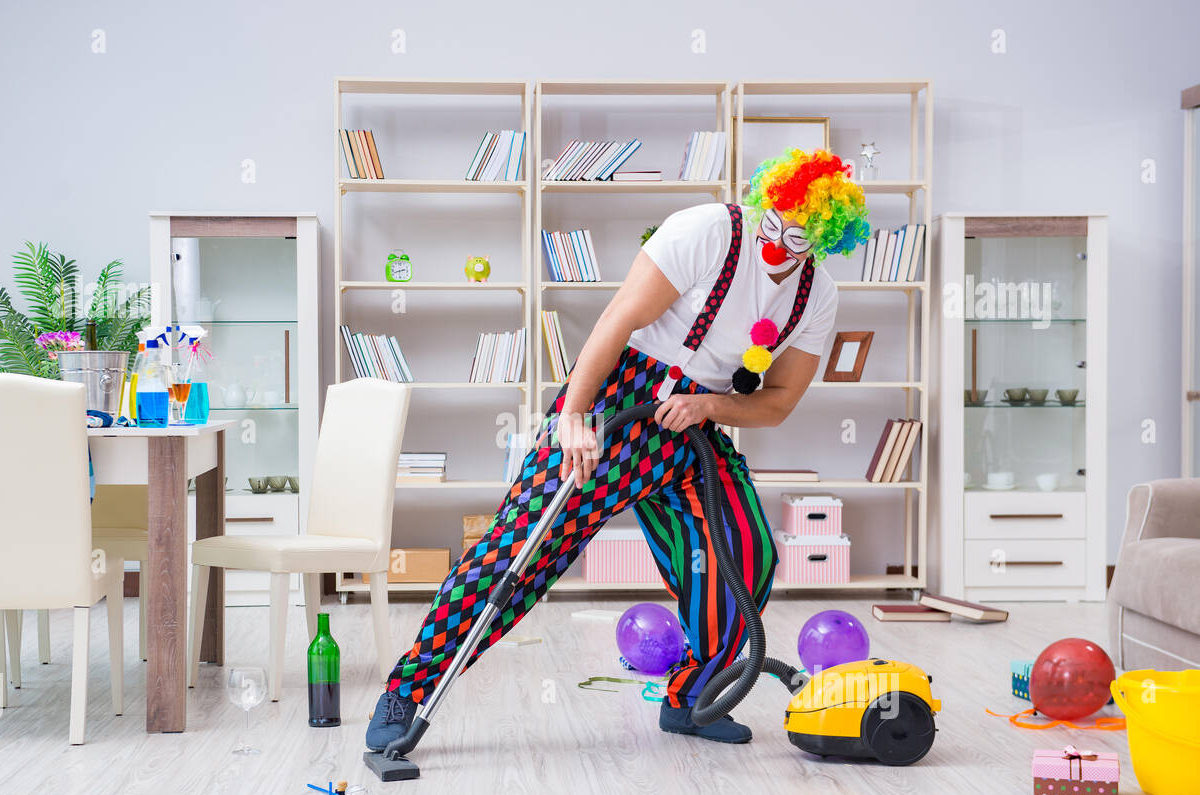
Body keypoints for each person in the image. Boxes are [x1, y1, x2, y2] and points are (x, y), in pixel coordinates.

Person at [367, 148, 871, 747]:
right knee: (519, 556)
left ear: (821, 239)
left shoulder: (816, 297)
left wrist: (709, 406)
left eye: (795, 236)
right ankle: (408, 692)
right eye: (771, 220)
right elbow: (616, 321)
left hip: (692, 428)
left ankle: (694, 697)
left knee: (745, 551)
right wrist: (573, 417)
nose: (776, 242)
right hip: (616, 401)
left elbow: (779, 401)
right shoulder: (708, 231)